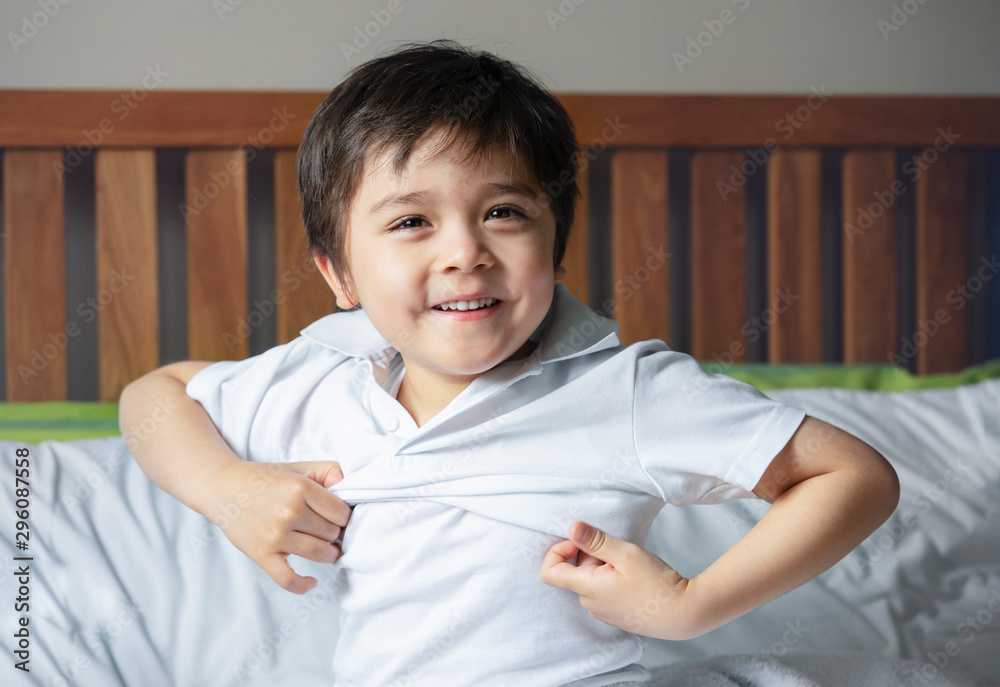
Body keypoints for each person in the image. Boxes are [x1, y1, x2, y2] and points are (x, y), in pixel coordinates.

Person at [120, 39, 900, 686]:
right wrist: (225, 490)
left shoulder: (625, 391)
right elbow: (155, 396)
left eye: (504, 212)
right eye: (412, 221)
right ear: (340, 274)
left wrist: (689, 605)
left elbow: (854, 475)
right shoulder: (321, 379)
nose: (465, 251)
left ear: (554, 247)